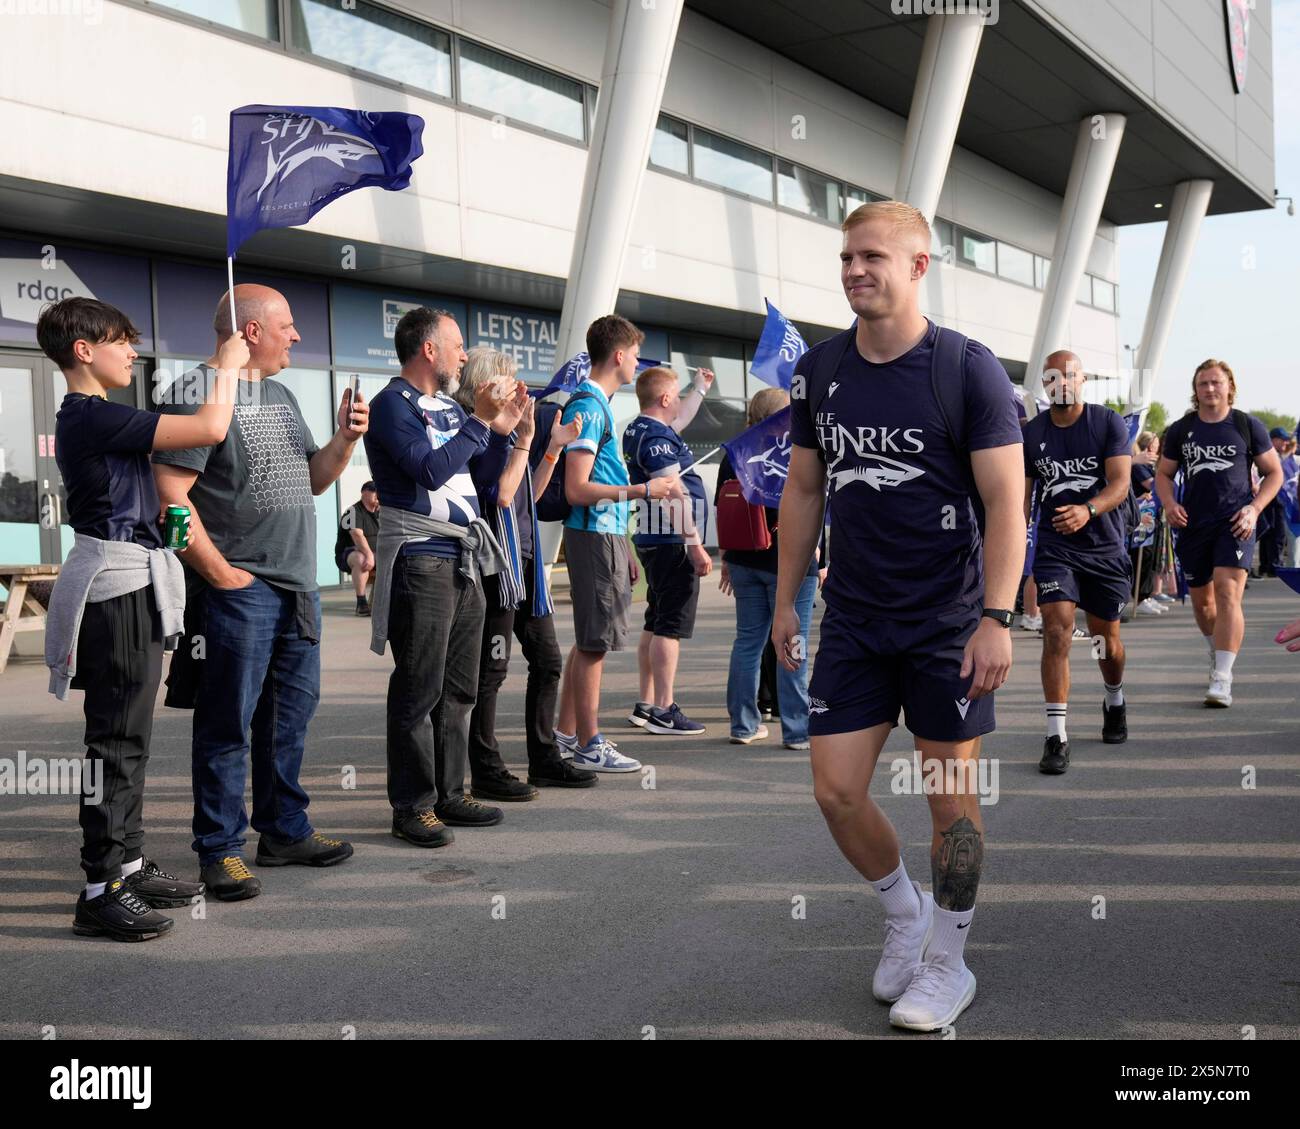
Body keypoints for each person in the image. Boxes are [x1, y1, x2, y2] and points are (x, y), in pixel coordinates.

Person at [774, 200, 1025, 1032]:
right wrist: (786, 599)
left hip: (947, 621)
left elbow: (1005, 501)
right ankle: (904, 914)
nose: (855, 270)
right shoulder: (819, 369)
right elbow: (804, 488)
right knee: (837, 790)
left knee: (949, 795)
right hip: (852, 616)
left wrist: (996, 616)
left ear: (919, 267)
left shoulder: (966, 368)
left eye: (873, 257)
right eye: (848, 257)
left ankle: (949, 964)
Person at [38, 297, 245, 940]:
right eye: (121, 341)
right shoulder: (91, 416)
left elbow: (153, 488)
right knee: (115, 743)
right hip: (117, 589)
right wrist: (229, 366)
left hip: (133, 578)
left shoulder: (101, 418)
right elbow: (211, 428)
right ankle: (99, 889)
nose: (132, 351)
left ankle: (125, 864)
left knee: (131, 737)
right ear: (84, 350)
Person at [154, 283, 363, 901]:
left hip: (297, 588)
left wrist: (344, 441)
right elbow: (170, 492)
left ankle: (283, 831)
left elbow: (316, 479)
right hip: (240, 589)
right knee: (227, 723)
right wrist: (218, 574)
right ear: (250, 332)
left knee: (287, 720)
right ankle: (220, 849)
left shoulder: (277, 393)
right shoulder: (196, 391)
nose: (296, 336)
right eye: (287, 325)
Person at [364, 309, 526, 845]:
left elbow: (478, 479)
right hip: (420, 558)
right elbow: (428, 470)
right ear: (428, 350)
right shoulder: (392, 404)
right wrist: (480, 421)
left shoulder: (449, 409)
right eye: (456, 345)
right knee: (419, 687)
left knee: (460, 688)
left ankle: (451, 794)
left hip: (463, 559)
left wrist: (509, 430)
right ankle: (412, 806)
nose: (464, 354)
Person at [455, 347, 598, 798]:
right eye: (509, 380)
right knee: (491, 671)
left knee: (548, 661)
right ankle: (486, 768)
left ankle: (544, 758)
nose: (519, 389)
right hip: (497, 565)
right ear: (484, 386)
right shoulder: (473, 431)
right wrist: (521, 438)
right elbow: (499, 496)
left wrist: (550, 447)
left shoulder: (507, 432)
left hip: (526, 564)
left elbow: (526, 498)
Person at [554, 315, 678, 772]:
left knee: (590, 641)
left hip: (602, 535)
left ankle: (568, 736)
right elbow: (577, 489)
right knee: (594, 644)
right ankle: (588, 742)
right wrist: (644, 491)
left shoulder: (594, 403)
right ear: (620, 355)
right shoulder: (589, 405)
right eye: (634, 355)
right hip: (593, 534)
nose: (636, 365)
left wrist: (622, 543)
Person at [1022, 352, 1133, 774]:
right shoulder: (1032, 433)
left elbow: (1121, 483)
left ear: (1082, 379)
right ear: (1046, 385)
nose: (1061, 382)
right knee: (1056, 628)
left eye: (1069, 375)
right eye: (1052, 377)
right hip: (1055, 548)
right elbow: (1023, 497)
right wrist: (1016, 538)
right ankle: (1056, 735)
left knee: (1107, 642)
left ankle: (1115, 698)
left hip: (1103, 547)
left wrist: (1088, 509)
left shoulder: (1107, 422)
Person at [1155, 360, 1283, 707]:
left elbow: (1274, 474)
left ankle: (1222, 677)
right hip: (1193, 525)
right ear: (1195, 391)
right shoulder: (1182, 429)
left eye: (1216, 383)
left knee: (1227, 594)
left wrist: (1254, 508)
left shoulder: (1246, 425)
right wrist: (1168, 504)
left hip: (1235, 523)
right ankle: (1217, 651)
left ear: (1230, 386)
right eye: (1203, 384)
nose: (1209, 389)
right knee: (1204, 604)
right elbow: (1163, 474)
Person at [716, 386, 819, 748]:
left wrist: (727, 558)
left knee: (748, 641)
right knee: (793, 642)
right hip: (791, 562)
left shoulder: (735, 452)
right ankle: (797, 730)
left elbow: (724, 508)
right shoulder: (796, 451)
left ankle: (743, 725)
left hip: (745, 558)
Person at [623, 364, 715, 736]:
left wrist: (699, 389)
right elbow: (673, 493)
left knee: (656, 620)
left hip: (650, 537)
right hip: (670, 540)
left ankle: (647, 703)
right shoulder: (659, 439)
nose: (679, 401)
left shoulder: (640, 428)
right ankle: (664, 709)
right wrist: (695, 546)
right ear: (664, 399)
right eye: (675, 395)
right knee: (670, 627)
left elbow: (680, 415)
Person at [335, 481, 380, 616]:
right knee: (361, 559)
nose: (377, 494)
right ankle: (361, 603)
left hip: (377, 554)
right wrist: (369, 555)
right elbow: (357, 535)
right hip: (349, 554)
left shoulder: (382, 511)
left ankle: (383, 602)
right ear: (364, 493)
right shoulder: (353, 511)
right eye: (373, 491)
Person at [1260, 428, 1294, 576]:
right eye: (1283, 439)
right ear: (1273, 439)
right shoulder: (1267, 454)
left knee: (1271, 533)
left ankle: (1268, 565)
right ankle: (1273, 566)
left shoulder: (1277, 455)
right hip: (1271, 498)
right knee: (1274, 533)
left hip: (1274, 499)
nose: (1285, 443)